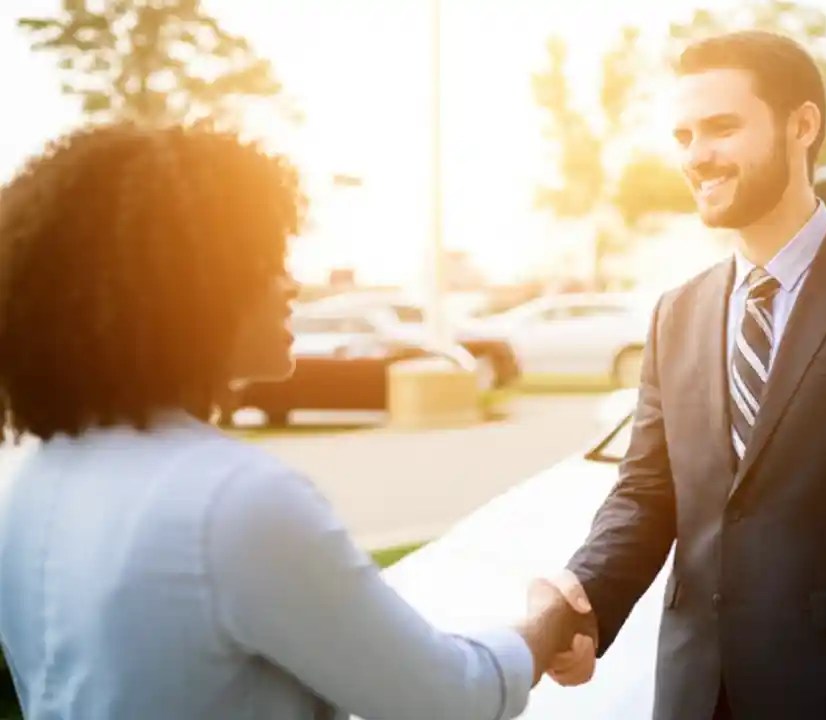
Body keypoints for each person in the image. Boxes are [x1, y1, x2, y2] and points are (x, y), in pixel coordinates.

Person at [0, 123, 588, 720]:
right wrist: (548, 621)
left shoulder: (31, 485)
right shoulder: (232, 502)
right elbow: (451, 699)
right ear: (177, 284)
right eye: (261, 257)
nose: (290, 283)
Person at [540, 31, 826, 719]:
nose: (697, 156)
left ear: (802, 126)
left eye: (722, 128)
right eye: (684, 135)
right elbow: (647, 494)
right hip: (694, 697)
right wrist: (587, 602)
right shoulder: (677, 312)